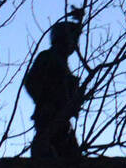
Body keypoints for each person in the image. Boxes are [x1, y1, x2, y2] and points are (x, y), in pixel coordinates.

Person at [24, 19, 86, 159]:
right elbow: (30, 82)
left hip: (63, 120)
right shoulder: (47, 57)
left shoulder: (63, 64)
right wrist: (46, 103)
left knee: (73, 161)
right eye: (73, 39)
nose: (75, 45)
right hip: (49, 118)